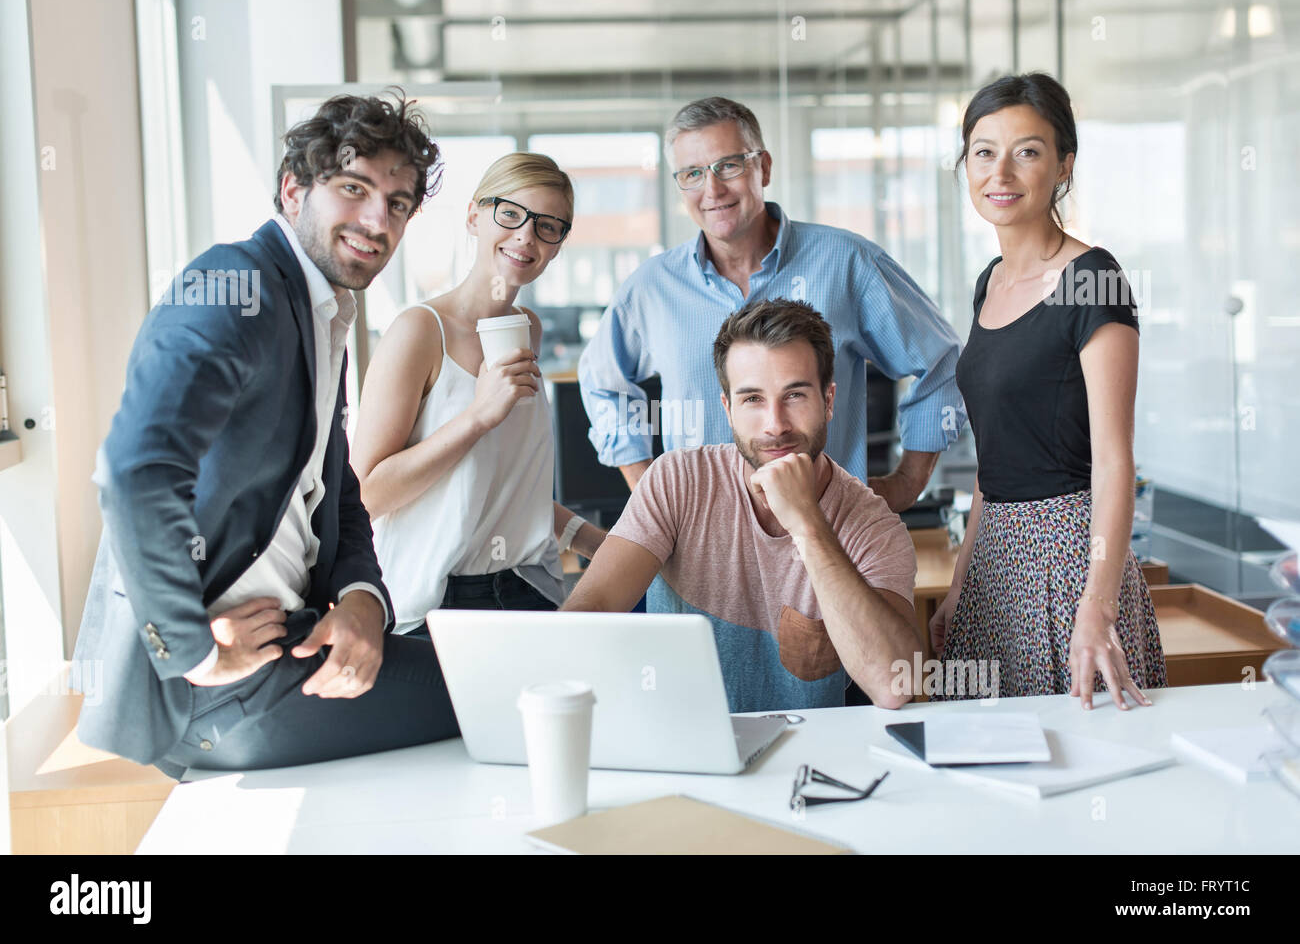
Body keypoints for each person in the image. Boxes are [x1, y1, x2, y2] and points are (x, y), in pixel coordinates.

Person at [73, 92, 461, 778]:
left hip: (293, 641)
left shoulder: (321, 309)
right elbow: (136, 470)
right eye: (353, 188)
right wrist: (193, 649)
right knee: (494, 691)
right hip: (210, 694)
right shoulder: (233, 287)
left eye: (398, 203)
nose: (378, 219)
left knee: (484, 674)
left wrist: (366, 603)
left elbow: (337, 491)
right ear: (293, 189)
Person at [578, 96, 966, 513]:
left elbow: (942, 362)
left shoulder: (848, 263)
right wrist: (649, 495)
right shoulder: (651, 288)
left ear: (763, 167)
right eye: (692, 174)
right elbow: (603, 386)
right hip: (699, 547)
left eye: (728, 165)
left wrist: (907, 483)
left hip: (829, 537)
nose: (713, 190)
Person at [928, 73, 1167, 708]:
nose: (1000, 171)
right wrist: (960, 581)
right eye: (983, 151)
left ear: (1063, 165)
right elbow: (993, 459)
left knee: (1078, 761)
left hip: (1067, 559)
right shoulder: (990, 283)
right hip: (993, 567)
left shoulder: (1094, 278)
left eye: (1027, 151)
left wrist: (1099, 602)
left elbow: (1115, 459)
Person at [564, 299, 920, 712]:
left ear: (828, 400)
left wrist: (807, 523)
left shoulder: (871, 523)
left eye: (795, 395)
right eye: (753, 399)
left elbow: (894, 685)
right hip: (683, 750)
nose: (775, 424)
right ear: (727, 409)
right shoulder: (678, 481)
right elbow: (591, 612)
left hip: (813, 759)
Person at [352, 153, 605, 632]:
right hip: (436, 604)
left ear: (557, 245)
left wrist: (595, 542)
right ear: (473, 216)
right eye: (510, 214)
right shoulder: (419, 332)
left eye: (548, 226)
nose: (526, 236)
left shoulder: (528, 329)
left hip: (530, 588)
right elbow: (367, 493)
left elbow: (502, 486)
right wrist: (476, 418)